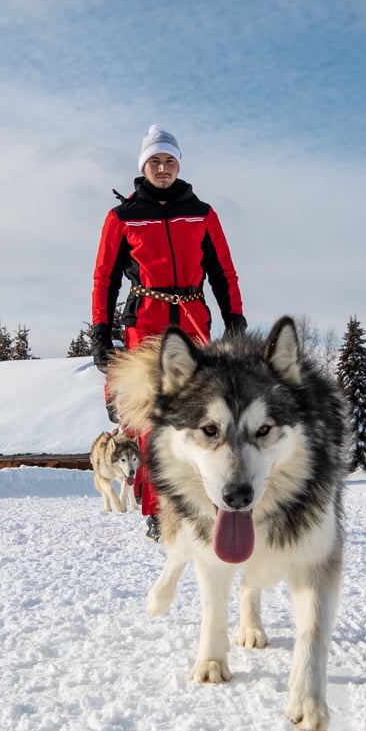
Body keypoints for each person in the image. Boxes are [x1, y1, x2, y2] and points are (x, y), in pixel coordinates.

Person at [89, 124, 245, 532]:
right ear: (143, 166)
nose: (162, 168)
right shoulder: (122, 217)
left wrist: (235, 318)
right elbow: (105, 279)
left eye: (169, 161)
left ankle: (204, 502)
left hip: (193, 320)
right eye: (155, 161)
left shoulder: (202, 213)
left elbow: (223, 272)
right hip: (145, 323)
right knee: (152, 418)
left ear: (179, 165)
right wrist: (101, 332)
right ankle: (160, 511)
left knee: (201, 413)